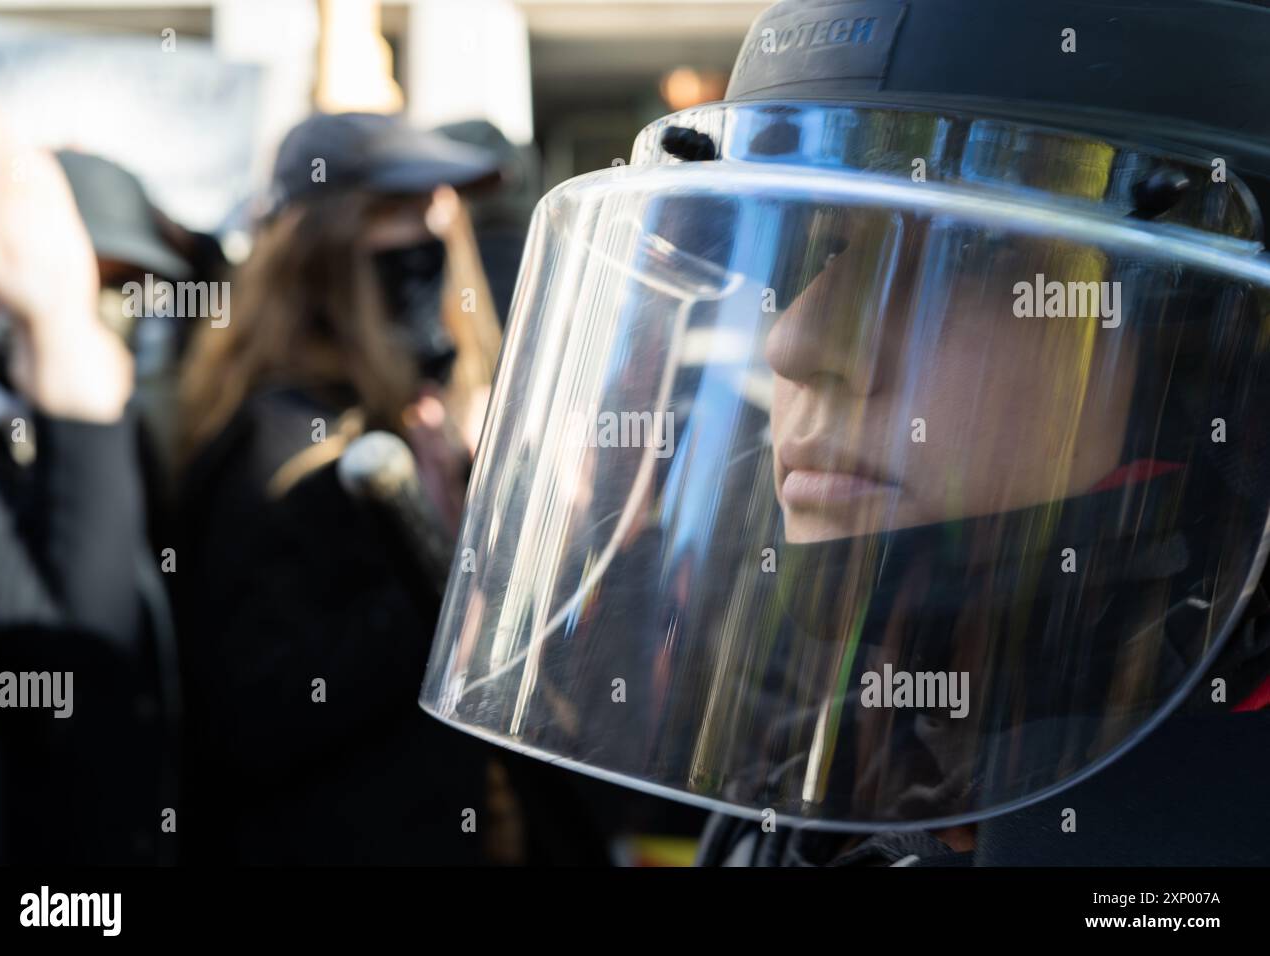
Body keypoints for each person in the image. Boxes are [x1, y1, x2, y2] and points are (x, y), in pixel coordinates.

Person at [416, 0, 1270, 866]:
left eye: (966, 252)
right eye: (820, 249)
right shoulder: (824, 732)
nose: (797, 342)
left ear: (1198, 354)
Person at [172, 111, 508, 864]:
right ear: (320, 251)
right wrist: (435, 547)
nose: (428, 234)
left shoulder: (407, 418)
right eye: (393, 212)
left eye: (436, 207)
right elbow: (250, 716)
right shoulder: (283, 442)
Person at [0, 105, 173, 864]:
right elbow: (74, 688)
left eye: (132, 288)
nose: (111, 313)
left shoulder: (128, 432)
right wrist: (63, 354)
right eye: (91, 281)